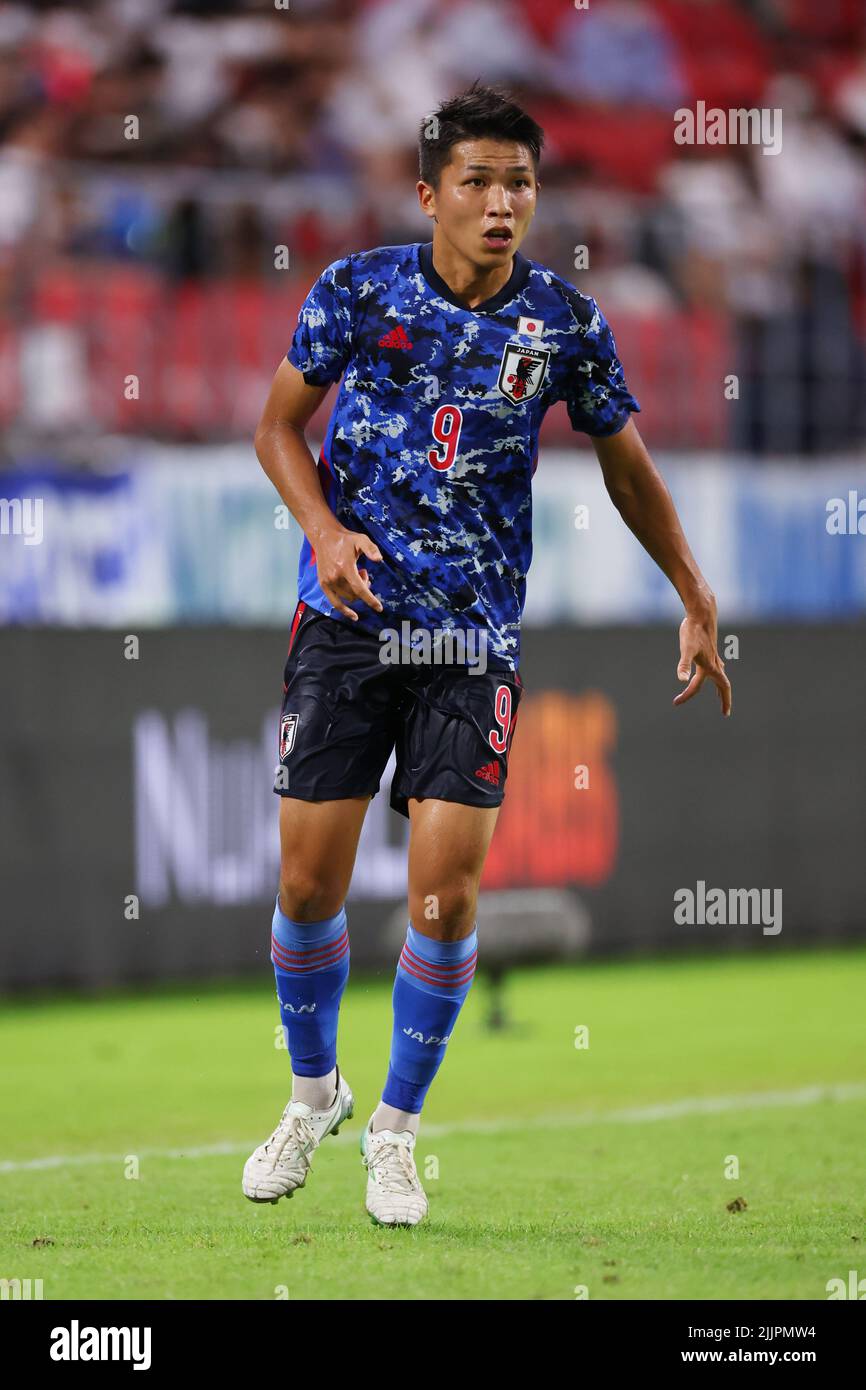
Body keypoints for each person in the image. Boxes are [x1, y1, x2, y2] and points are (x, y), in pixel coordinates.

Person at [244, 80, 731, 1228]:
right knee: (308, 881)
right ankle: (314, 1095)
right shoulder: (355, 291)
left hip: (471, 639)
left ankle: (398, 1135)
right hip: (348, 625)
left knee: (446, 895)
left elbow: (624, 466)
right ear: (428, 194)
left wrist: (694, 592)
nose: (501, 201)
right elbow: (275, 427)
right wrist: (322, 529)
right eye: (476, 181)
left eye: (518, 181)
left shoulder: (562, 320)